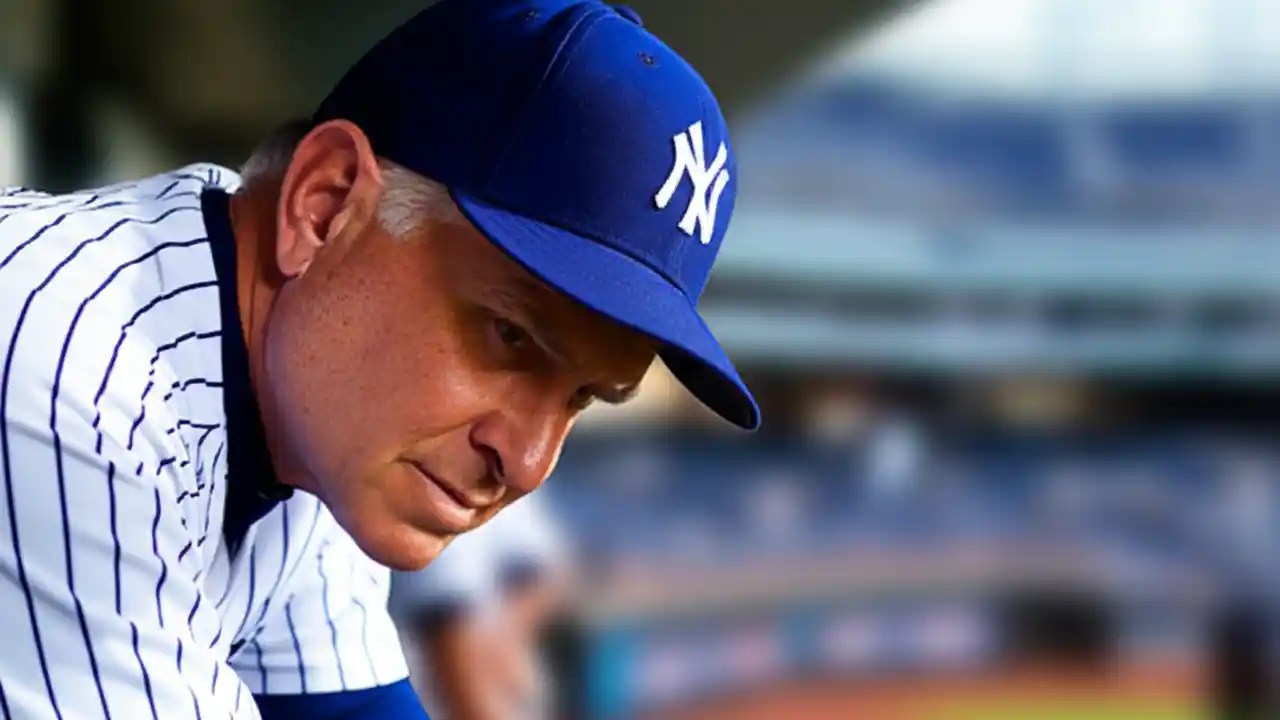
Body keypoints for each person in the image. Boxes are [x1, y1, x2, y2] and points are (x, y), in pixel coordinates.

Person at [0, 0, 758, 717]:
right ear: (324, 206)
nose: (526, 463)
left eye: (582, 397)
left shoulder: (312, 413)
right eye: (510, 335)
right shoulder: (75, 374)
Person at [391, 491, 568, 720]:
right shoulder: (434, 499)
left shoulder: (514, 482)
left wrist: (504, 634)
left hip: (515, 695)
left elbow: (544, 576)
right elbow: (451, 653)